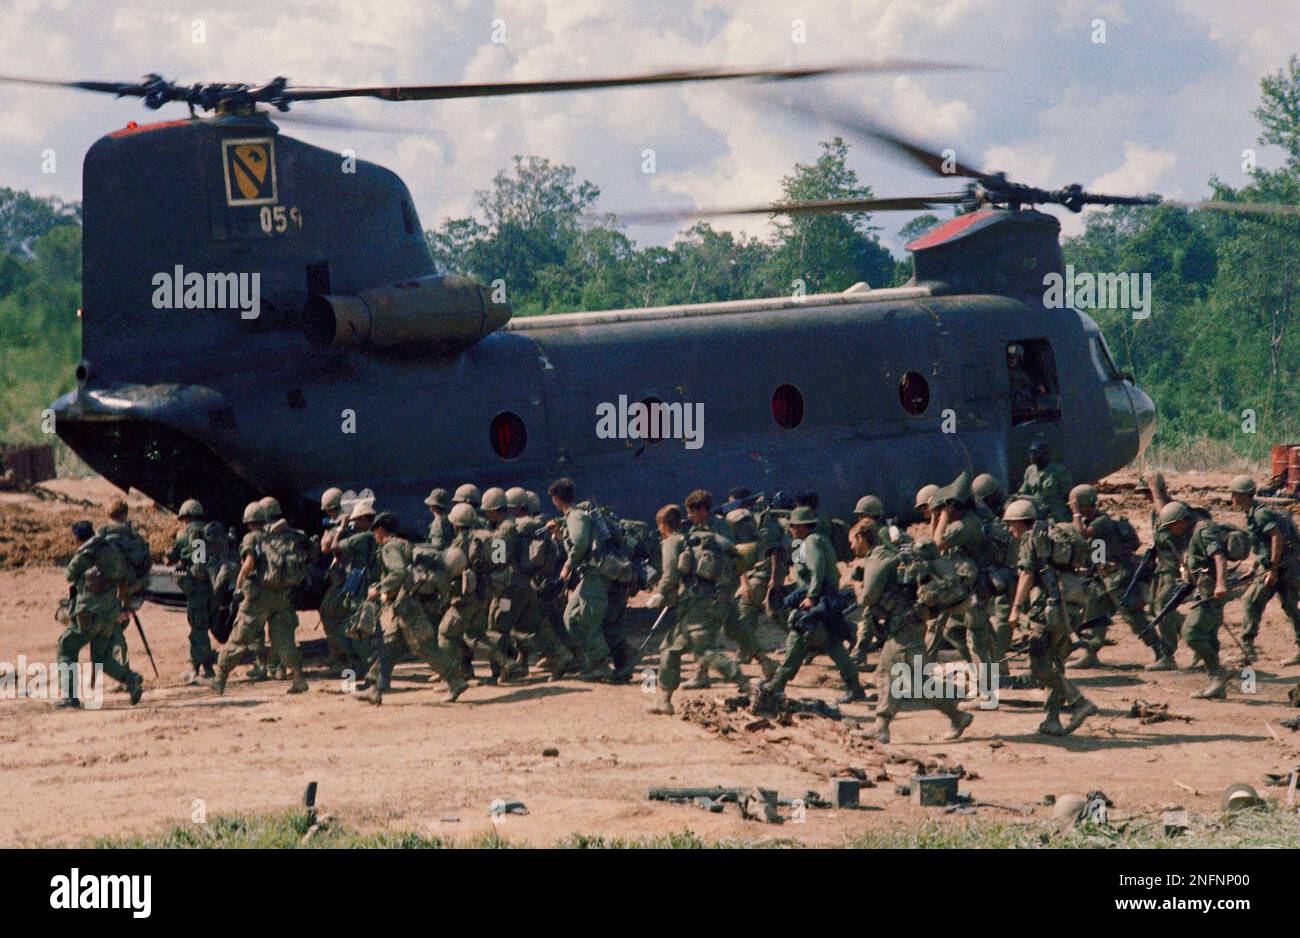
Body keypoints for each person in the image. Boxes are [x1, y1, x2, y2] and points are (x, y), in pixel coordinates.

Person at [857, 517, 973, 744]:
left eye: (854, 540)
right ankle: (957, 716)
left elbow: (869, 596)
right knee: (914, 680)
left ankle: (882, 726)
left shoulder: (886, 560)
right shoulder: (899, 559)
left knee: (894, 673)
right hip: (911, 623)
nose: (852, 546)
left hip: (906, 626)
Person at [1005, 499, 1099, 736]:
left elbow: (1026, 574)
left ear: (1021, 522)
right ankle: (1052, 719)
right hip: (1074, 603)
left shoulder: (1030, 539)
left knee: (1039, 666)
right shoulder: (1053, 536)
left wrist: (1016, 608)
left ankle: (1078, 701)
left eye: (1011, 524)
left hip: (1049, 609)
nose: (1009, 529)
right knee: (1055, 663)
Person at [645, 504, 751, 715]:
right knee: (670, 649)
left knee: (704, 652)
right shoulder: (689, 540)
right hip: (699, 604)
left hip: (699, 606)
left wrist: (660, 593)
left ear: (662, 525)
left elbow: (670, 573)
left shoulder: (672, 542)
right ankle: (664, 701)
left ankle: (750, 688)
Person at [355, 512, 468, 705]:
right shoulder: (403, 543)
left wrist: (378, 589)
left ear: (381, 530)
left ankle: (455, 680)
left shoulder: (389, 547)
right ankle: (374, 687)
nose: (374, 535)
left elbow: (398, 572)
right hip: (406, 604)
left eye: (375, 531)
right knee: (389, 646)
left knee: (424, 646)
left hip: (409, 606)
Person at [762, 506, 865, 703]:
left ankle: (777, 683)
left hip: (818, 600)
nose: (790, 529)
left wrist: (811, 596)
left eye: (793, 526)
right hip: (824, 598)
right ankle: (855, 687)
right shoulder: (812, 541)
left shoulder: (811, 542)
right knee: (831, 643)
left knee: (798, 637)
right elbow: (803, 570)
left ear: (802, 526)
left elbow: (817, 570)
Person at [209, 501, 308, 695]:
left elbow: (249, 562)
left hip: (258, 597)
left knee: (239, 638)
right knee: (284, 640)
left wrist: (239, 582)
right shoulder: (275, 537)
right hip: (281, 596)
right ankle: (298, 678)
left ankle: (219, 679)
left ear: (248, 522)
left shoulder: (251, 537)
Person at [57, 512, 145, 707]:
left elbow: (69, 575)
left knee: (66, 647)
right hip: (110, 614)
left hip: (89, 613)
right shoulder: (110, 549)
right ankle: (131, 680)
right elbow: (123, 574)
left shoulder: (85, 553)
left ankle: (69, 697)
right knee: (102, 657)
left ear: (78, 538)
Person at [1067, 484, 1154, 669]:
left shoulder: (1102, 522)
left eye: (1077, 506)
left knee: (1133, 616)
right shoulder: (1092, 522)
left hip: (1118, 577)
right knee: (1094, 614)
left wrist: (1076, 514)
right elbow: (1097, 551)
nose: (1074, 509)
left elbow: (1081, 534)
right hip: (1103, 577)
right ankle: (1091, 654)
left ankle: (1162, 651)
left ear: (1085, 505)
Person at [1159, 500, 1234, 699]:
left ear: (1181, 521)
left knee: (1191, 632)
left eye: (1172, 526)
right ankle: (1217, 683)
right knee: (1208, 632)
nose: (1172, 531)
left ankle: (1217, 676)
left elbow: (1219, 556)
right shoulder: (1193, 531)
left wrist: (1220, 583)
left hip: (1212, 591)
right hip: (1204, 589)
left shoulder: (1202, 531)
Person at [1231, 474, 1300, 665]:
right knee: (1257, 602)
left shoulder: (1260, 514)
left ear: (1245, 495)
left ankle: (1248, 650)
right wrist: (1255, 567)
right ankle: (1248, 649)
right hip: (1277, 566)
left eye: (1235, 494)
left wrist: (1273, 569)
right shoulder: (1252, 512)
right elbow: (1262, 544)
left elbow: (1276, 537)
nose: (1232, 498)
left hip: (1284, 569)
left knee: (1285, 607)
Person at [548, 477, 611, 679]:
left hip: (594, 573)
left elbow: (581, 544)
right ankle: (592, 661)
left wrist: (567, 565)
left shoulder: (575, 517)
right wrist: (559, 534)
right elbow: (575, 542)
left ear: (556, 499)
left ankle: (601, 665)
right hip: (588, 574)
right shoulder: (575, 517)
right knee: (571, 618)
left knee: (586, 620)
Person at [166, 498, 218, 683]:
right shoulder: (210, 532)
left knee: (198, 629)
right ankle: (194, 667)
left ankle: (208, 669)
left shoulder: (187, 534)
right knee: (198, 628)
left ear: (186, 516)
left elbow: (170, 560)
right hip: (212, 587)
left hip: (196, 589)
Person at [1017, 441, 1073, 523]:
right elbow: (1023, 492)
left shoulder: (1059, 472)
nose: (1031, 455)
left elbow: (1068, 495)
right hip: (1037, 514)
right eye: (1031, 452)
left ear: (1045, 454)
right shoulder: (1030, 471)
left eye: (1035, 452)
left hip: (1056, 515)